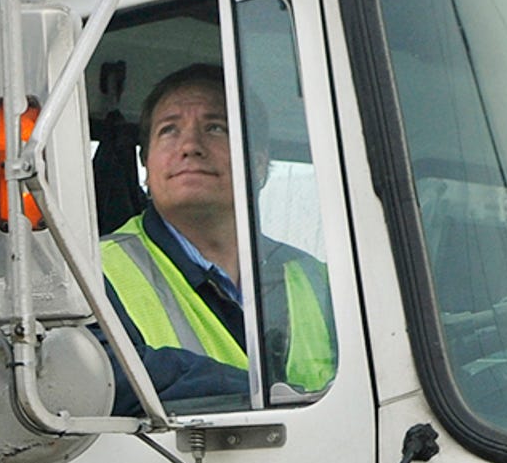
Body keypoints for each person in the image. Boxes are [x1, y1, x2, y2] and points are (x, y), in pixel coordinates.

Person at [99, 63, 336, 414]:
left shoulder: (322, 281)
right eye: (169, 131)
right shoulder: (90, 271)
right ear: (146, 166)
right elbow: (110, 378)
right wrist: (266, 395)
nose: (190, 146)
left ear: (258, 162)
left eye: (215, 128)